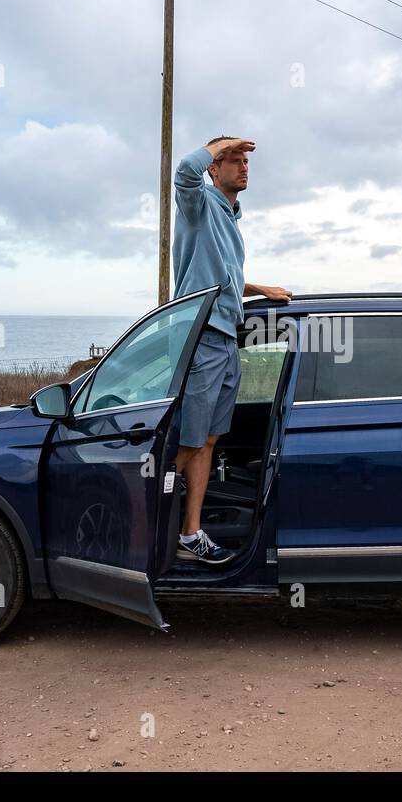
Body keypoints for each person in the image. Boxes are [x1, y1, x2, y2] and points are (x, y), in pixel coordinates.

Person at [172, 136, 290, 563]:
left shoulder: (229, 217)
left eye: (245, 161)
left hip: (226, 336)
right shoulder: (198, 202)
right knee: (188, 439)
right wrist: (220, 142)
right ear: (213, 168)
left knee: (208, 440)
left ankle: (191, 534)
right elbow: (183, 170)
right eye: (234, 160)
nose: (244, 167)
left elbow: (221, 274)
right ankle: (140, 509)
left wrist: (256, 288)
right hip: (200, 334)